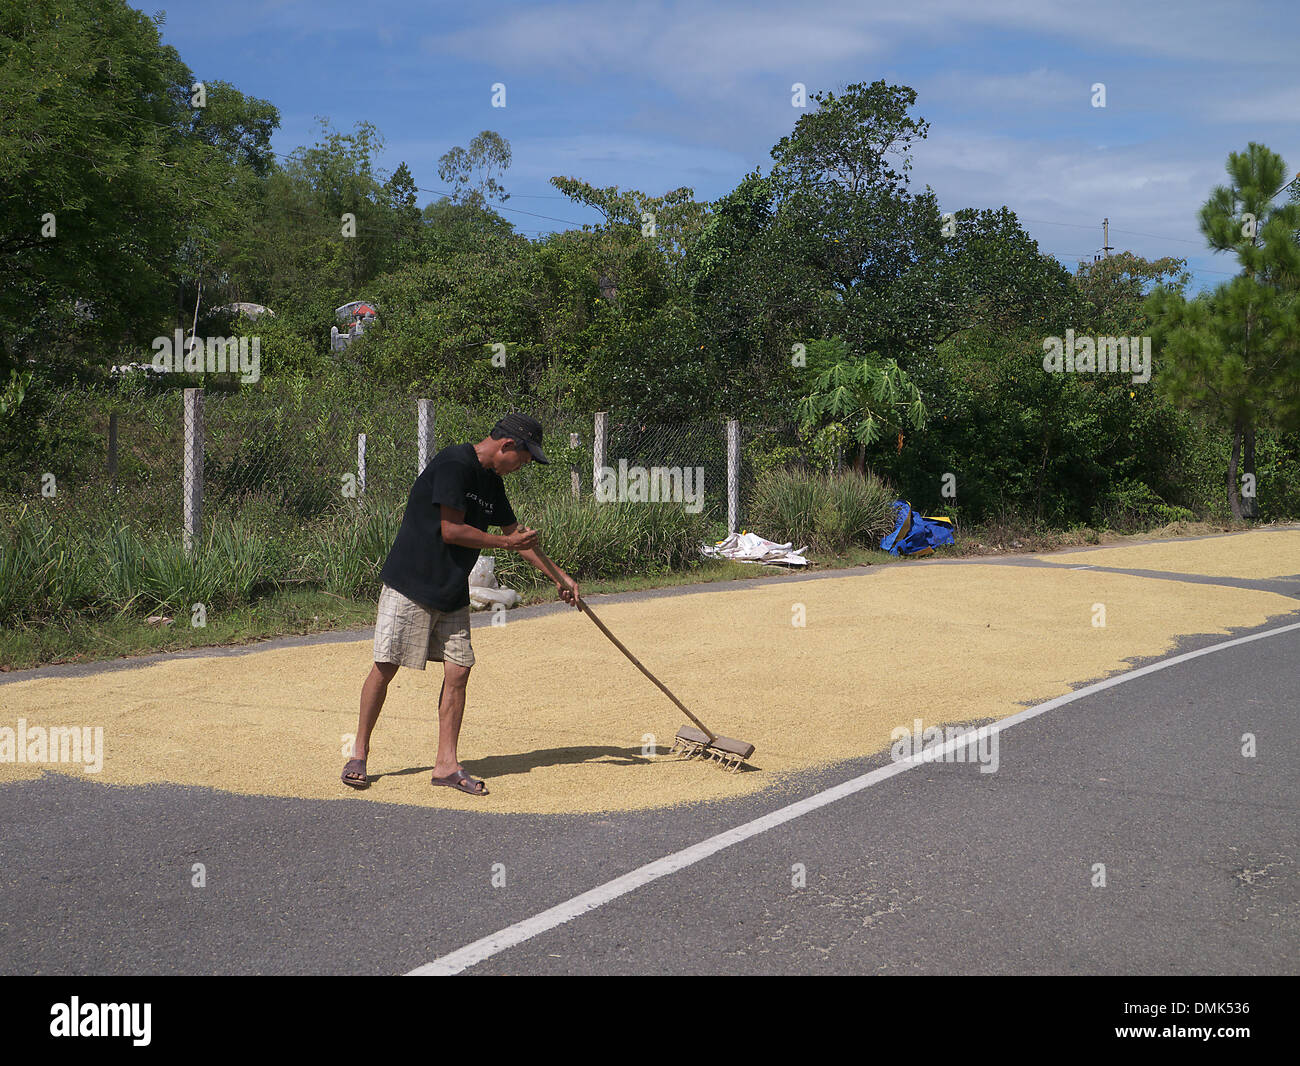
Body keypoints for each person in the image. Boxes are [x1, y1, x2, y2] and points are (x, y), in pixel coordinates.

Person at [341, 413, 579, 796]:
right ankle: (359, 753)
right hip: (412, 584)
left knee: (459, 671)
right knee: (386, 666)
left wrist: (561, 577)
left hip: (452, 591)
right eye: (524, 458)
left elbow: (515, 535)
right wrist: (505, 545)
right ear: (506, 446)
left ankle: (446, 765)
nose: (522, 466)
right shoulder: (455, 464)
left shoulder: (492, 482)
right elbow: (451, 531)